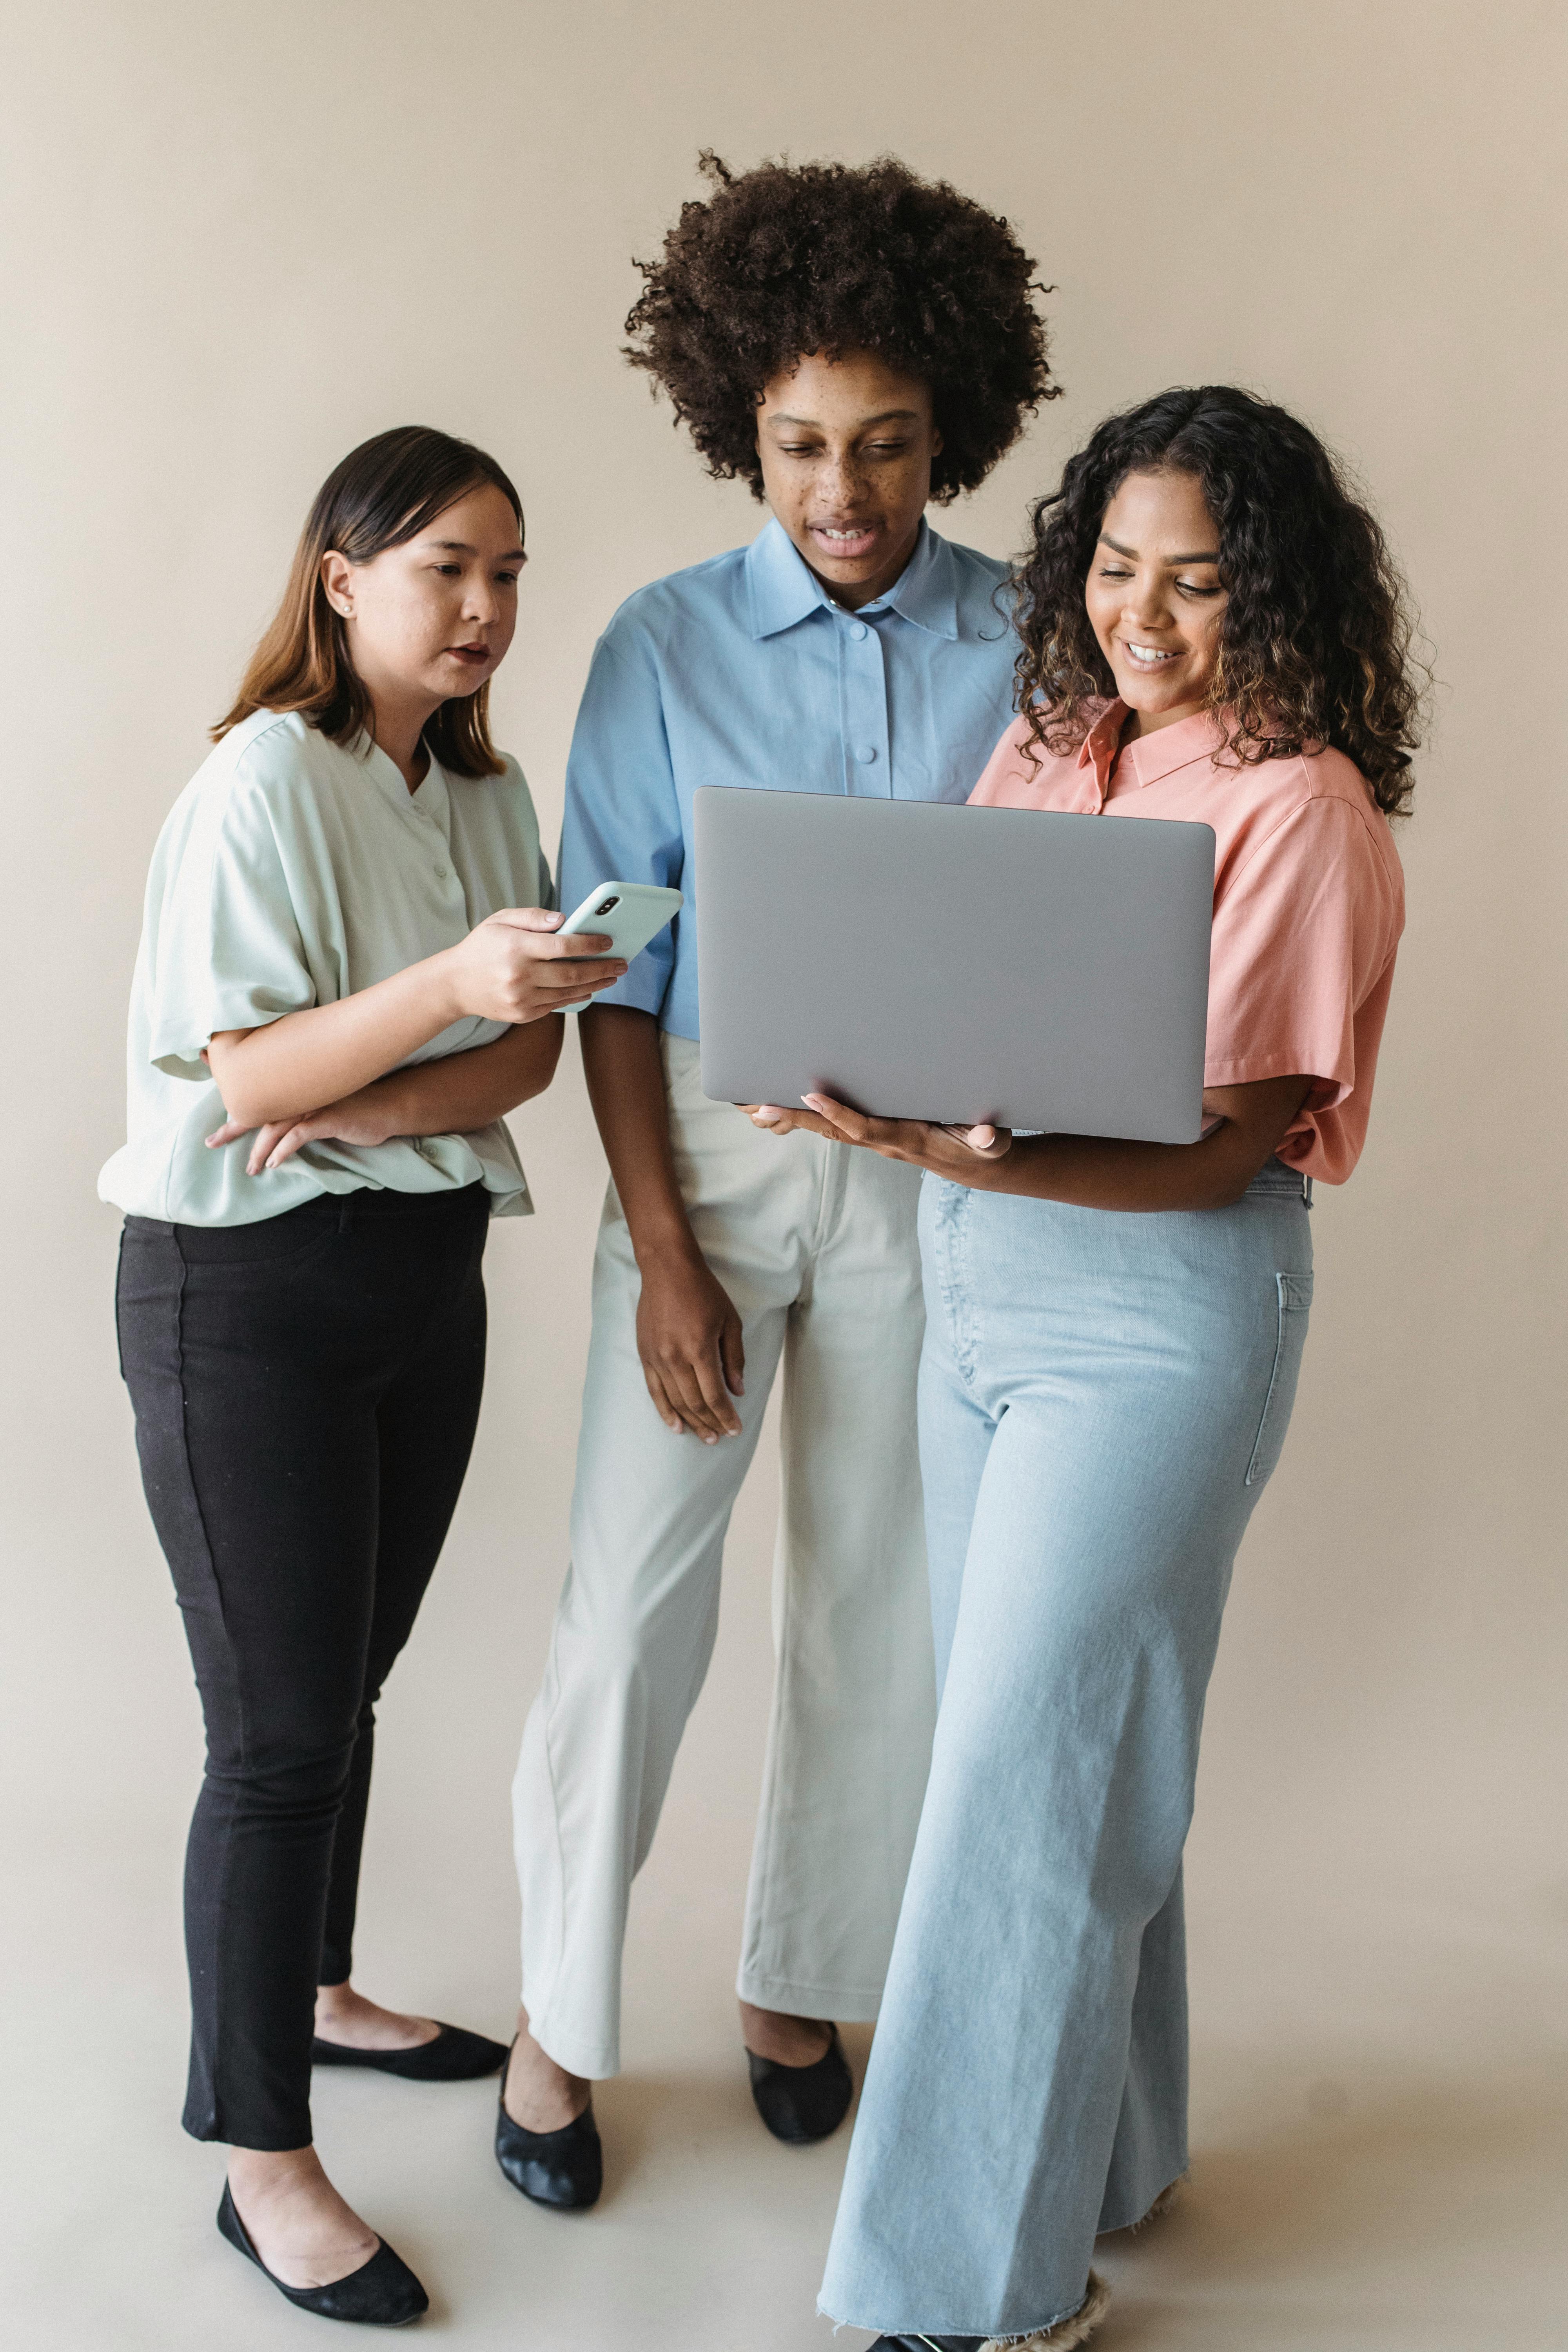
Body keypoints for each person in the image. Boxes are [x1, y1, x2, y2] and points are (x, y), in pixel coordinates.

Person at [748, 387, 1424, 2349]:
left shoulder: (1300, 803)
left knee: (1025, 1786)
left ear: (1274, 598)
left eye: (1198, 583)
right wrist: (876, 1082)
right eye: (1117, 568)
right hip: (983, 1283)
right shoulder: (1052, 755)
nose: (1145, 614)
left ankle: (971, 2290)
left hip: (1159, 1318)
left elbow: (1227, 1135)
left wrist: (979, 1147)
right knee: (1029, 1743)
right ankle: (1108, 2158)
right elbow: (964, 990)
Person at [500, 154, 1057, 2197]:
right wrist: (662, 1251)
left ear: (954, 435)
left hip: (936, 1183)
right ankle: (559, 2026)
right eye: (806, 445)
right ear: (746, 423)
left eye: (890, 448)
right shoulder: (660, 645)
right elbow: (614, 974)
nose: (844, 489)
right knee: (627, 1612)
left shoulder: (1027, 636)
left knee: (880, 1606)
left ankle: (794, 1983)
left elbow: (1057, 926)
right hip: (712, 1174)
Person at [100, 426, 626, 2325]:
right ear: (341, 575)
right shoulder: (261, 781)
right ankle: (260, 2160)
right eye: (442, 571)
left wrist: (391, 1089)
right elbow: (236, 1083)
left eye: (506, 573)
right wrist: (441, 1006)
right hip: (239, 1293)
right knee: (278, 1735)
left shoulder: (486, 796)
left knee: (355, 1679)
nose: (484, 609)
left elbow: (525, 1065)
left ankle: (316, 1994)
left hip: (420, 1272)